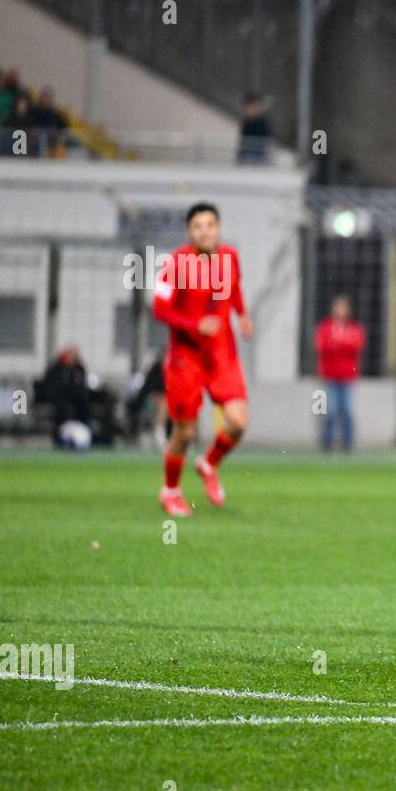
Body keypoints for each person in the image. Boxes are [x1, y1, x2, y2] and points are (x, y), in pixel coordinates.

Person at [151, 203, 253, 516]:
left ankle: (208, 464)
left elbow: (233, 289)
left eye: (210, 224)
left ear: (218, 228)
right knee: (186, 432)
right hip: (187, 359)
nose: (205, 231)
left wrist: (242, 314)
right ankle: (170, 490)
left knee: (238, 421)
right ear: (189, 231)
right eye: (198, 226)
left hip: (222, 355)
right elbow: (160, 309)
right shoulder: (174, 263)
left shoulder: (230, 257)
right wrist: (196, 325)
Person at [314, 295, 366, 452]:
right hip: (329, 376)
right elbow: (321, 347)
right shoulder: (325, 327)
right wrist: (341, 344)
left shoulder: (354, 328)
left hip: (348, 377)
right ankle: (327, 443)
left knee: (347, 411)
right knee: (329, 410)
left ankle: (347, 444)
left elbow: (356, 346)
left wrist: (336, 344)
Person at [42, 345, 91, 446]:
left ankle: (82, 432)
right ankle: (60, 436)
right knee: (62, 409)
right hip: (60, 397)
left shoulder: (78, 368)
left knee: (84, 405)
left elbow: (82, 383)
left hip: (75, 397)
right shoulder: (57, 368)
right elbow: (50, 383)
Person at [237, 92, 272, 165]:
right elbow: (243, 139)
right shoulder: (246, 121)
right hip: (247, 153)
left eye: (255, 106)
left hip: (259, 153)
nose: (252, 109)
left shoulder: (262, 122)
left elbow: (266, 137)